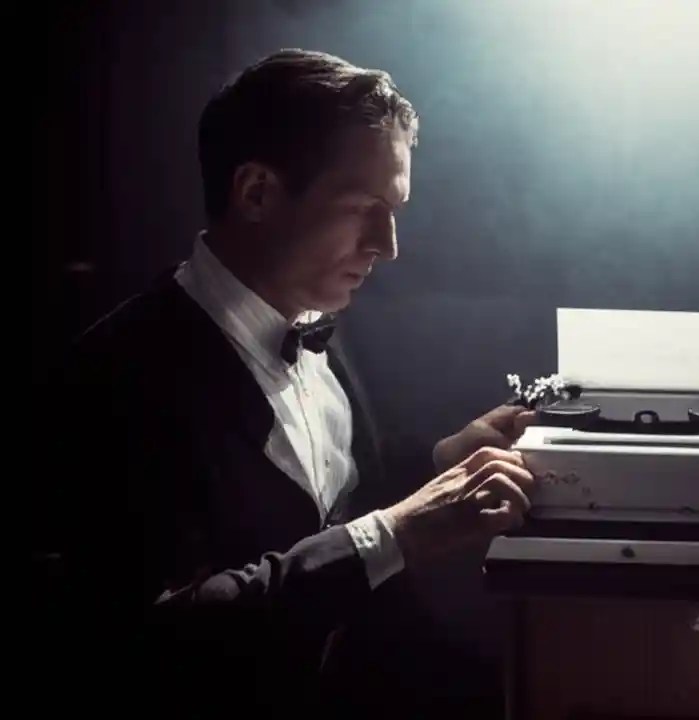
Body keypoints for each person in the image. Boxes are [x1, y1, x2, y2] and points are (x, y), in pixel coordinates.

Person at [46, 49, 535, 715]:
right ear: (255, 192)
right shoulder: (114, 375)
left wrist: (441, 462)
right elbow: (153, 639)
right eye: (363, 206)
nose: (387, 244)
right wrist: (397, 533)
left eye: (394, 209)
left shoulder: (315, 314)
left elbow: (321, 502)